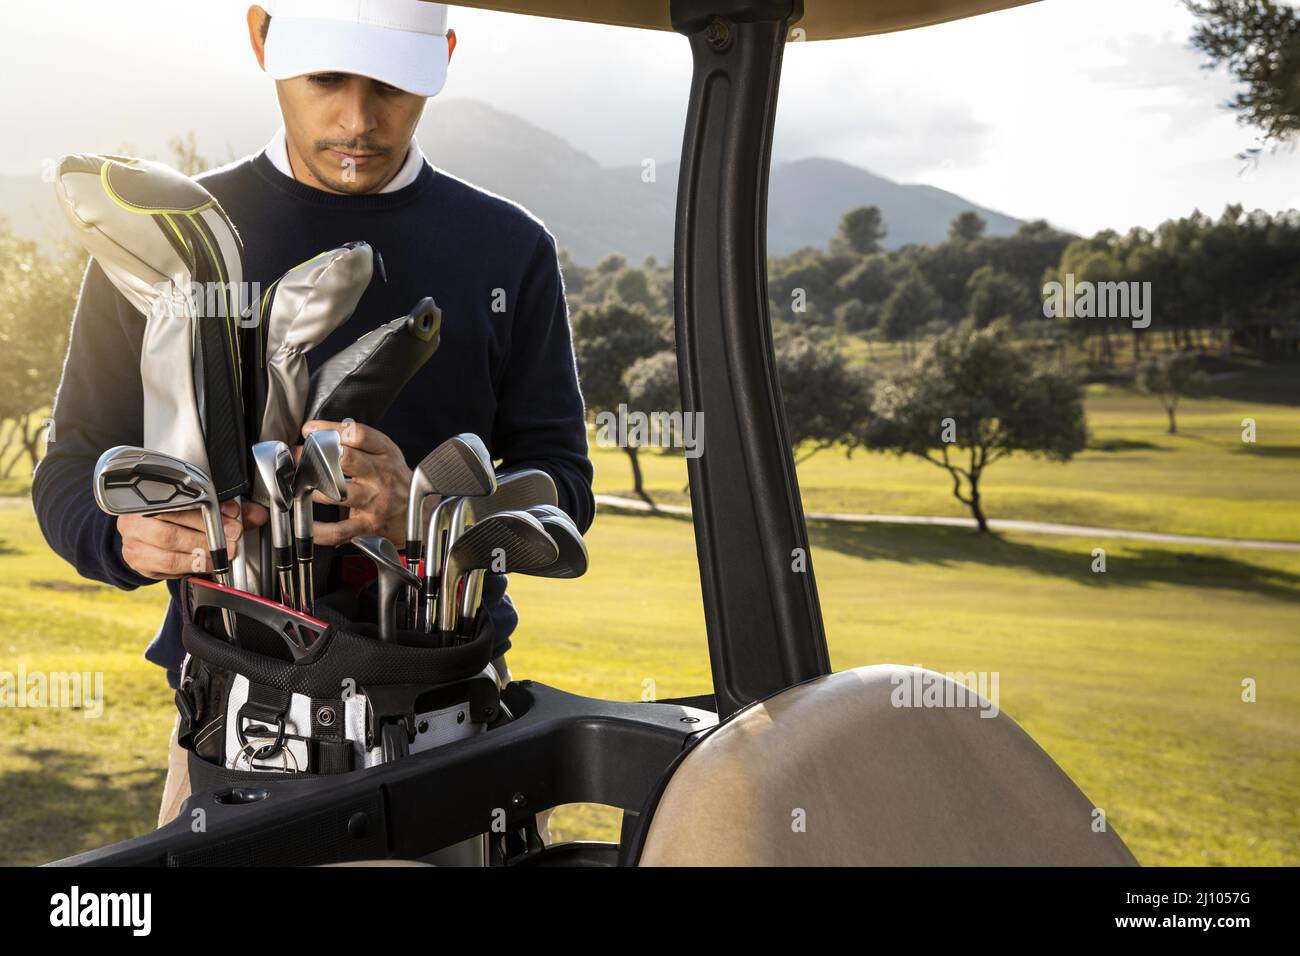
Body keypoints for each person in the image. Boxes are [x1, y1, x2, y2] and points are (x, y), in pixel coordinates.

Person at [31, 0, 593, 831]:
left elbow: (564, 485)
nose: (358, 118)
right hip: (232, 720)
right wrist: (119, 537)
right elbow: (71, 469)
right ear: (262, 39)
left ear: (442, 54)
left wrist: (422, 507)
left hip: (459, 720)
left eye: (393, 85)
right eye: (327, 78)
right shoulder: (167, 240)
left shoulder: (509, 247)